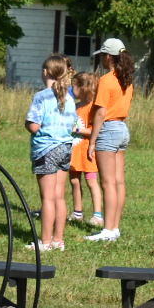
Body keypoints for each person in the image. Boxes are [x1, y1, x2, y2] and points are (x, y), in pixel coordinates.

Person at [86, 38, 135, 243]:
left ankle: (107, 229)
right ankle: (114, 228)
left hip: (108, 129)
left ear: (108, 56)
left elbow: (100, 113)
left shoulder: (106, 80)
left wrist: (92, 140)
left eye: (103, 56)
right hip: (122, 128)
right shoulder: (127, 79)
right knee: (118, 182)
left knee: (107, 183)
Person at [24, 55, 75, 251]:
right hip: (65, 148)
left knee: (47, 198)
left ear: (45, 72)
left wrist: (27, 124)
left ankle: (45, 242)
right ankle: (58, 240)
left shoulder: (41, 96)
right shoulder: (69, 98)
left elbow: (35, 126)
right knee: (59, 196)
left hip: (46, 148)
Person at [68, 70, 103, 228]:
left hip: (88, 151)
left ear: (82, 88)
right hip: (74, 151)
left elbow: (94, 130)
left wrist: (77, 130)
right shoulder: (73, 107)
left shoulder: (93, 108)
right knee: (74, 180)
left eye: (73, 85)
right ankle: (77, 212)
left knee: (91, 182)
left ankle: (97, 215)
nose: (71, 88)